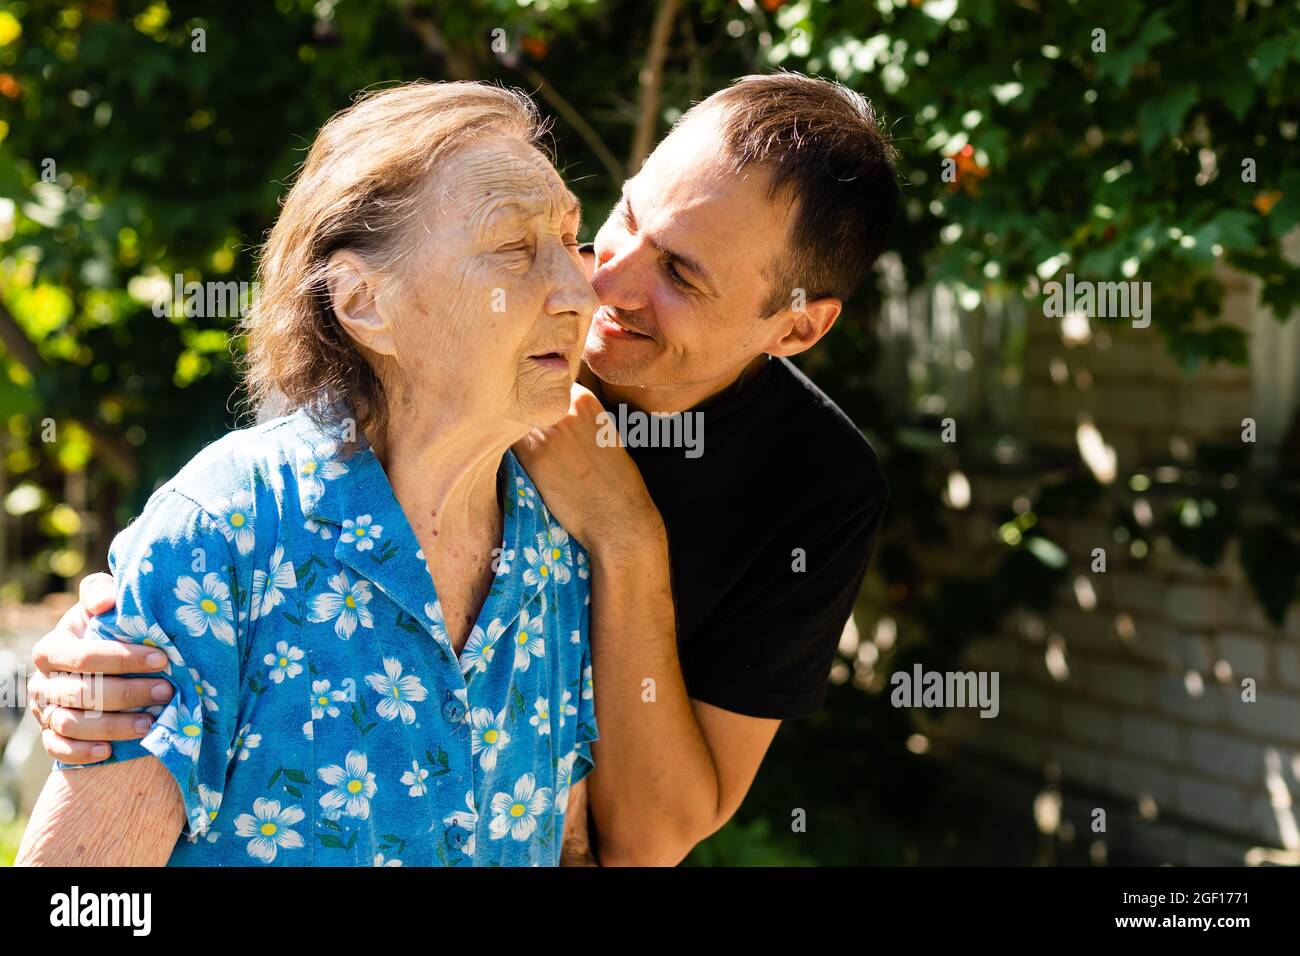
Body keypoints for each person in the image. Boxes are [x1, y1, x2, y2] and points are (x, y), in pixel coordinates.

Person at [29, 72, 896, 866]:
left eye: (679, 273)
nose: (598, 283)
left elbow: (628, 843)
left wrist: (625, 540)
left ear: (795, 328)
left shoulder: (803, 492)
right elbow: (268, 503)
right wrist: (122, 640)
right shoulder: (266, 502)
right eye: (624, 218)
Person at [17, 81, 600, 866]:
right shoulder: (225, 534)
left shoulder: (554, 546)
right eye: (513, 248)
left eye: (571, 239)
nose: (578, 289)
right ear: (365, 303)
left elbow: (564, 845)